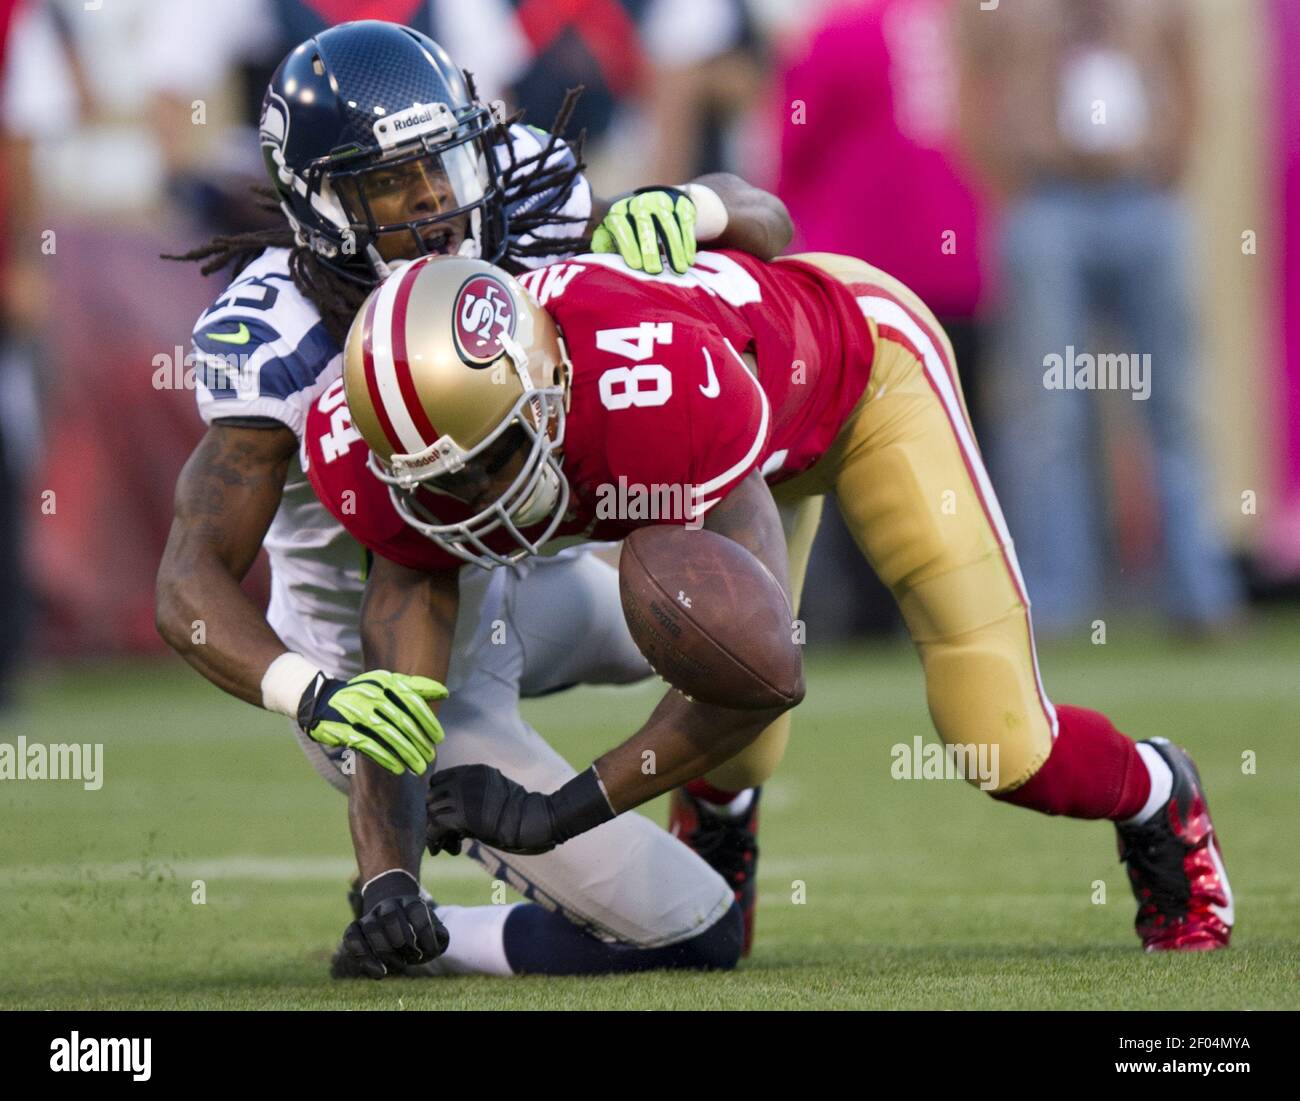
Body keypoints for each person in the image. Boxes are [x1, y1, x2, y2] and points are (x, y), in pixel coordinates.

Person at [312, 244, 1235, 963]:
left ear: (546, 389)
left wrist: (555, 813)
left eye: (496, 458)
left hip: (861, 382)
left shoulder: (650, 390)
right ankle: (718, 852)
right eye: (444, 480)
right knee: (733, 730)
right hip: (736, 436)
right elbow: (401, 681)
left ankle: (1158, 792)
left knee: (999, 741)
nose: (475, 497)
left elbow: (762, 670)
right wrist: (387, 875)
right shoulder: (398, 442)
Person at [155, 20, 794, 977]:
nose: (434, 203)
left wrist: (692, 207)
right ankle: (430, 940)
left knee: (741, 636)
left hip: (527, 583)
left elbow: (771, 224)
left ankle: (722, 805)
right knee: (695, 931)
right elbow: (187, 582)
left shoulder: (519, 194)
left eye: (441, 163)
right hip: (399, 685)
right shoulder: (280, 336)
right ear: (322, 207)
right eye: (389, 183)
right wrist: (313, 700)